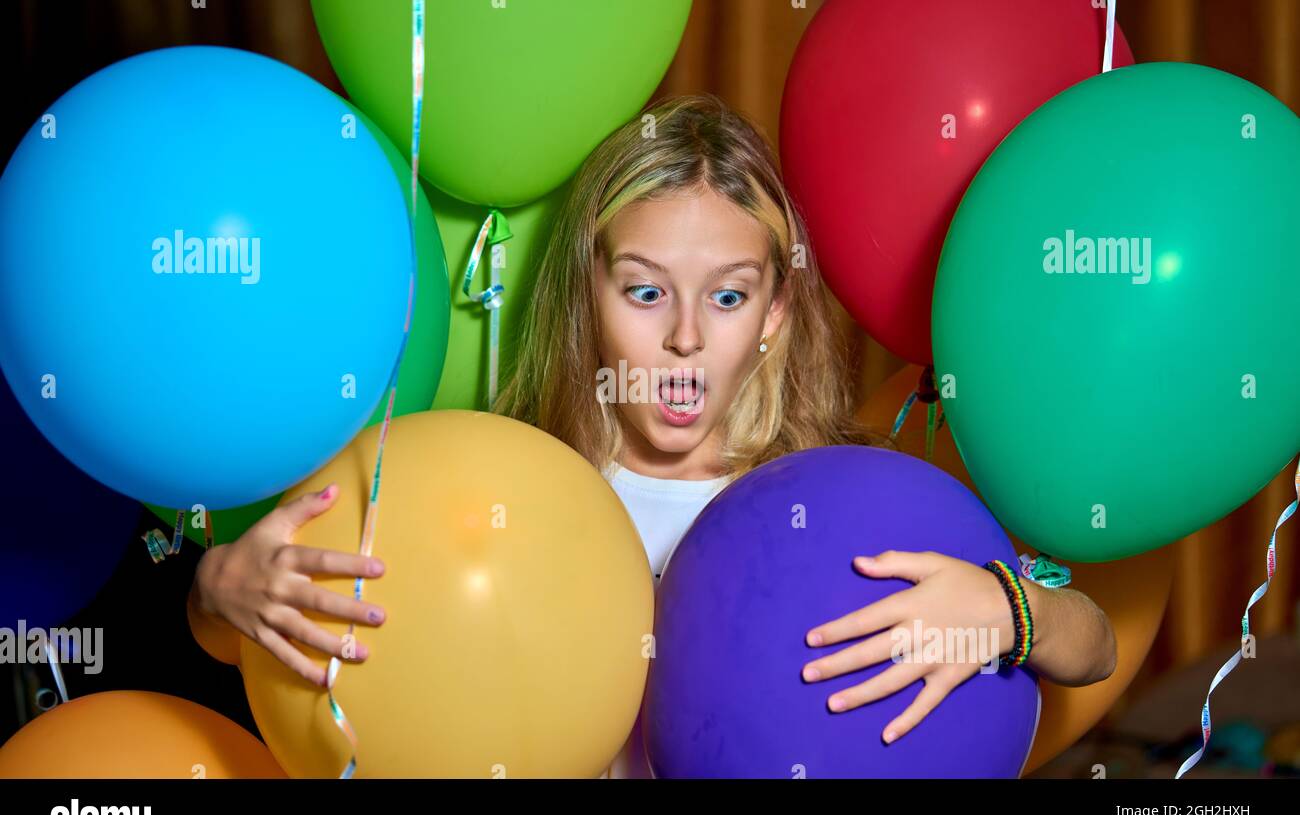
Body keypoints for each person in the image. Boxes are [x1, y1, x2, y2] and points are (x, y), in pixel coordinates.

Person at [188, 93, 1116, 778]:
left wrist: (1012, 610)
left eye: (726, 295)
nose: (683, 336)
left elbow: (1092, 643)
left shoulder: (840, 497)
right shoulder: (493, 493)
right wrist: (216, 591)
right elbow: (280, 647)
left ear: (776, 309)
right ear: (586, 297)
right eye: (643, 290)